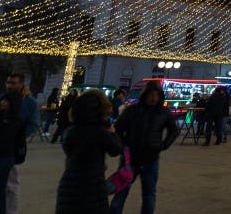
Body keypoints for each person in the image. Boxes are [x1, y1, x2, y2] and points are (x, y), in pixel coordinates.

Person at [110, 81, 178, 214]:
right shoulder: (132, 110)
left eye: (156, 95)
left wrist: (163, 145)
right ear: (144, 95)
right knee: (121, 192)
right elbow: (117, 129)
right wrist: (124, 145)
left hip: (151, 159)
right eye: (150, 94)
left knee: (149, 194)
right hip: (130, 160)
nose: (153, 98)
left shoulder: (164, 112)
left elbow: (174, 131)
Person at [55, 90, 122, 214]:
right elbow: (115, 150)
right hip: (93, 186)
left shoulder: (71, 131)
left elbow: (68, 150)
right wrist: (113, 133)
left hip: (69, 184)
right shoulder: (100, 131)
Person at [2, 73, 38, 214]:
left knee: (11, 184)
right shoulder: (2, 98)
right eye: (8, 82)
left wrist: (18, 136)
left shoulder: (29, 102)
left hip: (13, 148)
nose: (9, 85)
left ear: (21, 84)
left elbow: (33, 124)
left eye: (13, 83)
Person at [0, 92, 25, 214]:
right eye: (2, 100)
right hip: (6, 157)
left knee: (3, 188)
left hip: (6, 157)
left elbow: (20, 141)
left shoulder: (16, 121)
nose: (2, 103)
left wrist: (18, 157)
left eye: (5, 101)